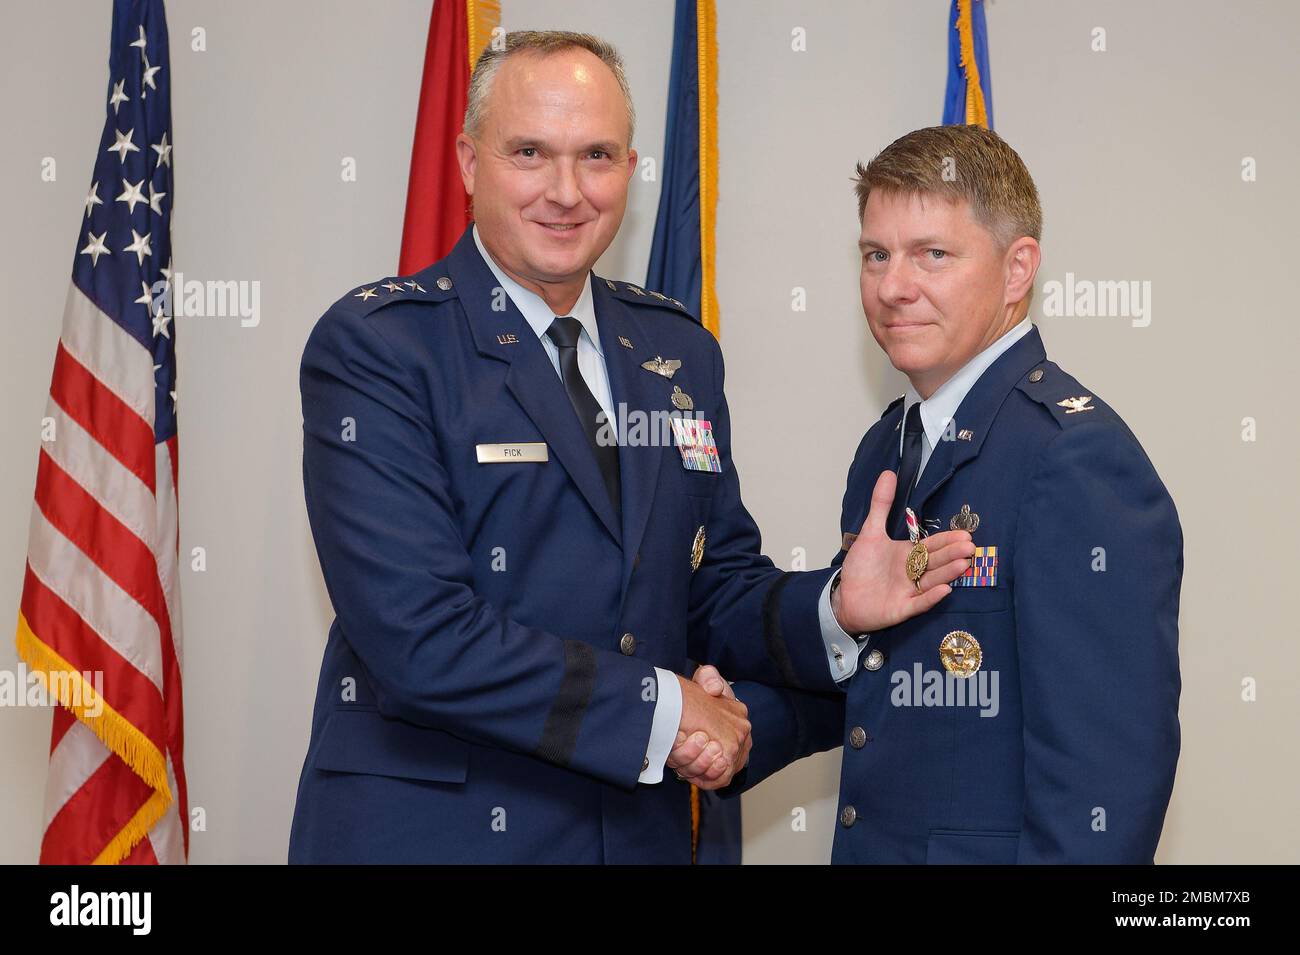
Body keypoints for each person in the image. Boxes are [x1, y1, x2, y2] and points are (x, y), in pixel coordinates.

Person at [286, 32, 970, 864]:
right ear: (468, 161)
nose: (566, 191)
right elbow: (420, 636)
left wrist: (833, 609)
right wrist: (666, 710)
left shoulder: (675, 350)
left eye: (598, 156)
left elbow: (711, 586)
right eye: (530, 152)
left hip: (642, 838)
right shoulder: (380, 348)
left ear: (632, 168)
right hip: (442, 835)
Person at [707, 124, 1183, 864]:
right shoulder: (888, 447)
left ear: (1018, 267)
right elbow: (888, 679)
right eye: (876, 254)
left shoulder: (1073, 457)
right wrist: (738, 728)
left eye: (933, 253)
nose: (894, 286)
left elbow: (1104, 790)